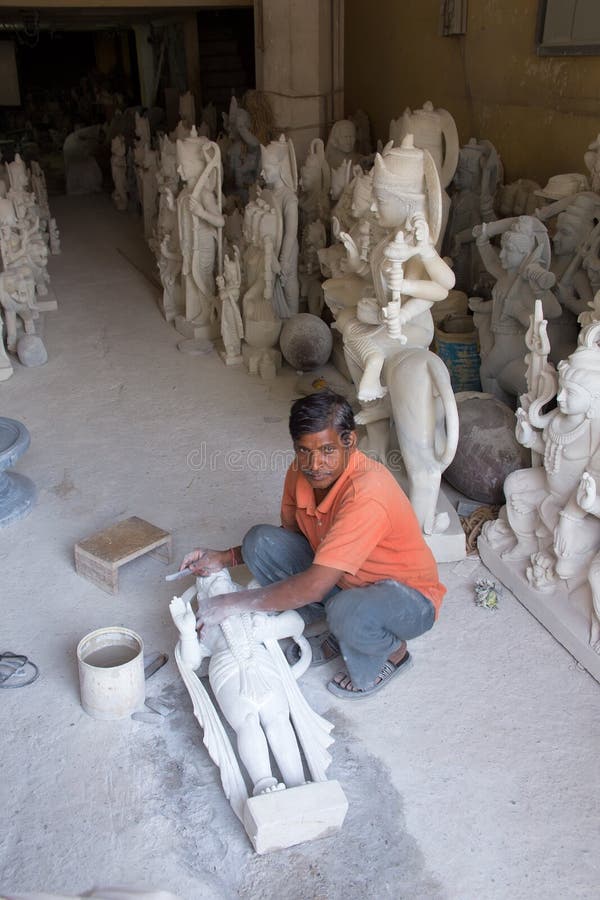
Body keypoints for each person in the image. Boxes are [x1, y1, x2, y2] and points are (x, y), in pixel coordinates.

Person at [180, 391, 446, 699]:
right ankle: (342, 624)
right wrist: (225, 558)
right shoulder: (300, 472)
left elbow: (315, 586)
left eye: (327, 450)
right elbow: (293, 539)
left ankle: (393, 652)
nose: (315, 464)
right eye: (303, 451)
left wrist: (230, 603)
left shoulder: (366, 493)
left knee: (347, 612)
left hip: (408, 599)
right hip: (346, 579)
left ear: (350, 442)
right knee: (259, 542)